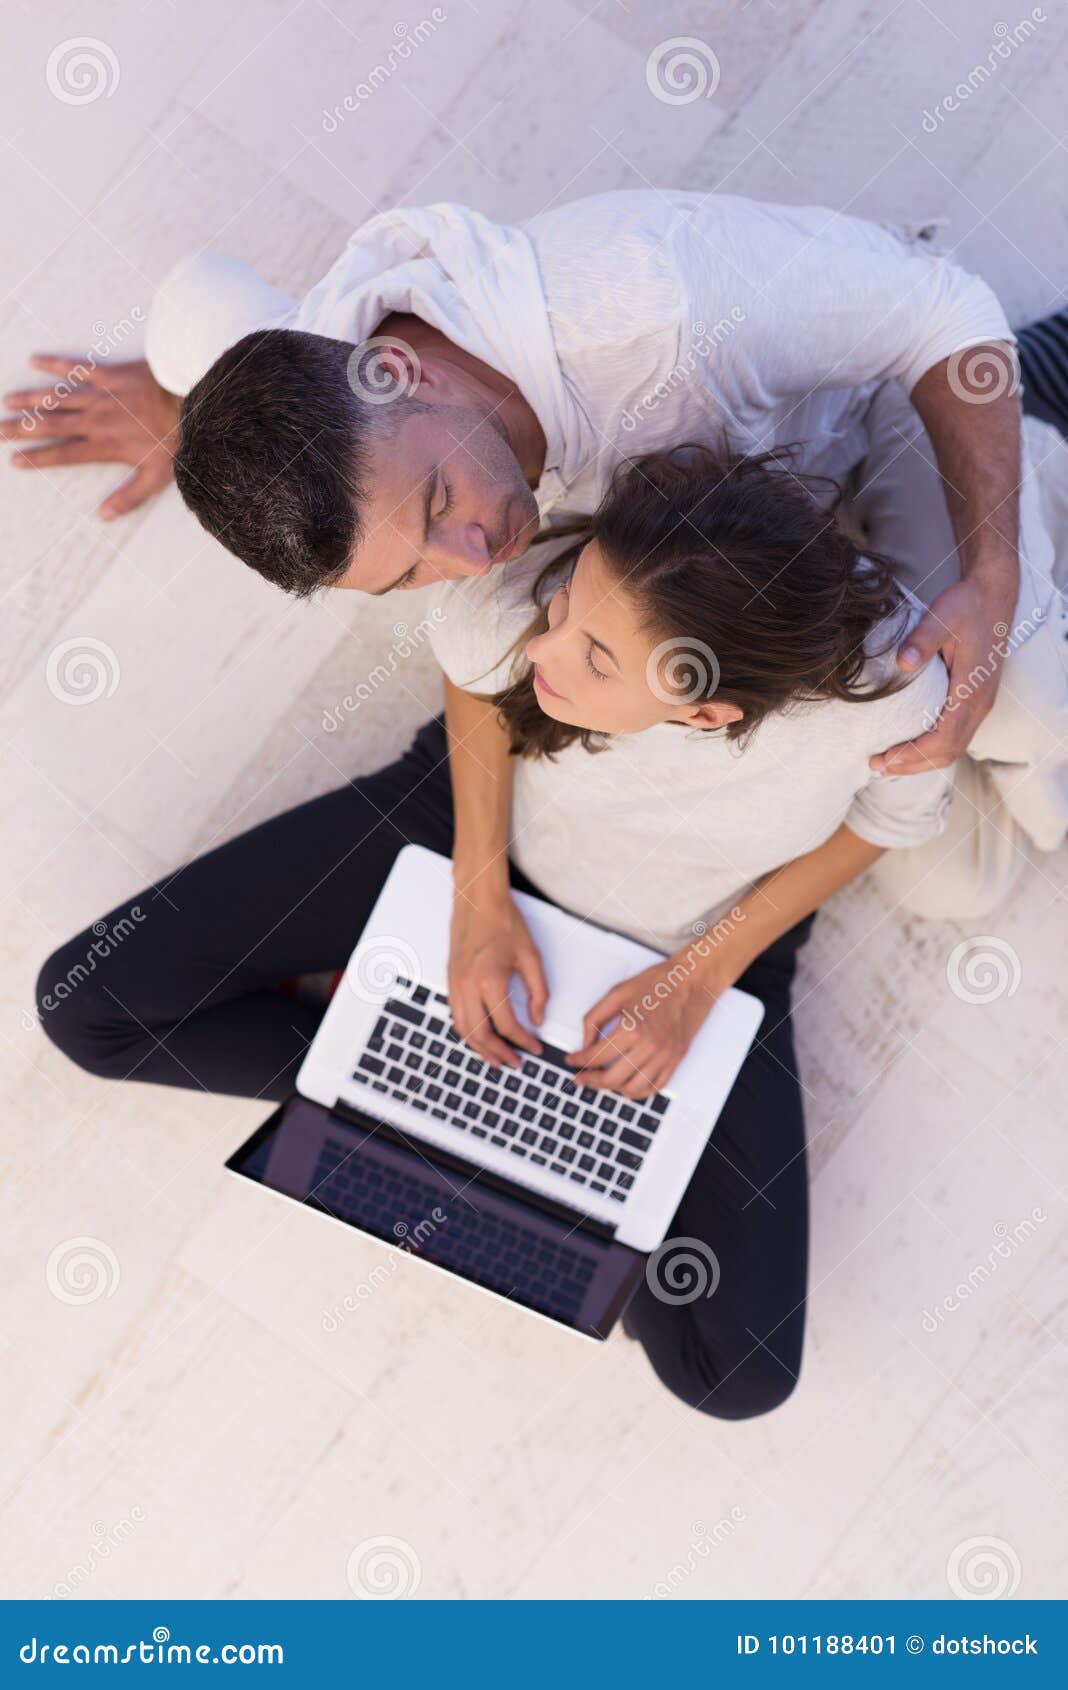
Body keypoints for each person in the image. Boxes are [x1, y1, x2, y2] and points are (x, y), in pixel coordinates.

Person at [37, 444, 952, 1418]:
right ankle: (434, 1094)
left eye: (595, 658)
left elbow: (881, 822)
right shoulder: (561, 560)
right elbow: (480, 676)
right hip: (478, 827)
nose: (542, 651)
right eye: (562, 610)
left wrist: (695, 979)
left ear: (705, 709)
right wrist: (477, 897)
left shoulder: (890, 699)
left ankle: (512, 1130)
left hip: (711, 938)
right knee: (87, 1009)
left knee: (738, 1373)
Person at [4, 192, 1065, 946]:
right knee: (945, 865)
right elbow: (211, 306)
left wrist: (994, 577)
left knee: (1018, 700)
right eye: (406, 574)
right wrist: (185, 404)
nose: (474, 555)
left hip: (856, 441)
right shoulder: (326, 367)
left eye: (436, 503)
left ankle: (1046, 397)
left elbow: (946, 313)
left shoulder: (664, 307)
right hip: (719, 571)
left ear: (401, 367)